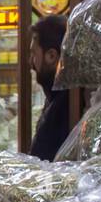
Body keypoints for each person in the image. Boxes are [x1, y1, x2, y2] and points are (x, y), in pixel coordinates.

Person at [29, 14, 71, 161]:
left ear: (51, 56)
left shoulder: (65, 106)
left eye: (34, 54)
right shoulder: (55, 98)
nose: (31, 63)